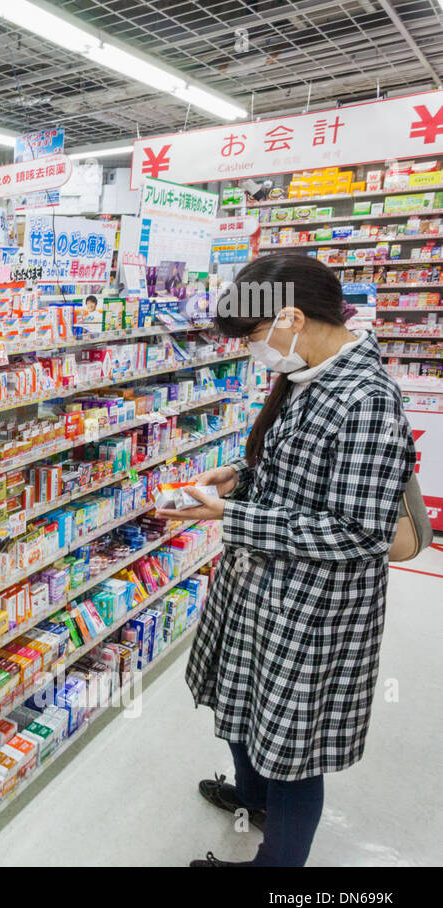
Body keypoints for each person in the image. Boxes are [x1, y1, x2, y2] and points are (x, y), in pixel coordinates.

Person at [161, 254, 416, 867]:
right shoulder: (313, 374)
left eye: (251, 337)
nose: (252, 351)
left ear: (292, 318)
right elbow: (295, 471)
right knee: (249, 704)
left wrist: (232, 516)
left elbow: (358, 533)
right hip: (265, 585)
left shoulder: (366, 399)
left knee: (295, 745)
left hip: (314, 608)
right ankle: (252, 796)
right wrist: (238, 475)